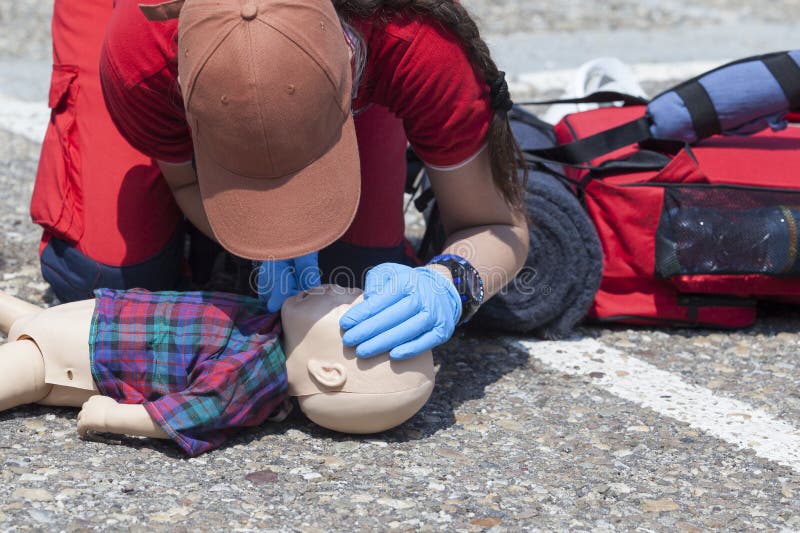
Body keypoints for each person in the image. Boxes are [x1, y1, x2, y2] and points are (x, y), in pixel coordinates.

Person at [33, 0, 530, 360]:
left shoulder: (414, 39)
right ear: (183, 87)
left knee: (355, 277)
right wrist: (265, 243)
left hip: (368, 30)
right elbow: (184, 181)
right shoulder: (144, 53)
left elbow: (494, 224)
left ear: (350, 71)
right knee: (106, 283)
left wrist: (451, 283)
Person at [0, 285, 435, 456]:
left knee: (20, 365)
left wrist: (115, 417)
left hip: (71, 358)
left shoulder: (256, 376)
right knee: (31, 319)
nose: (344, 288)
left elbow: (194, 411)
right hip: (101, 316)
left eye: (348, 305)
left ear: (328, 372)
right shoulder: (272, 327)